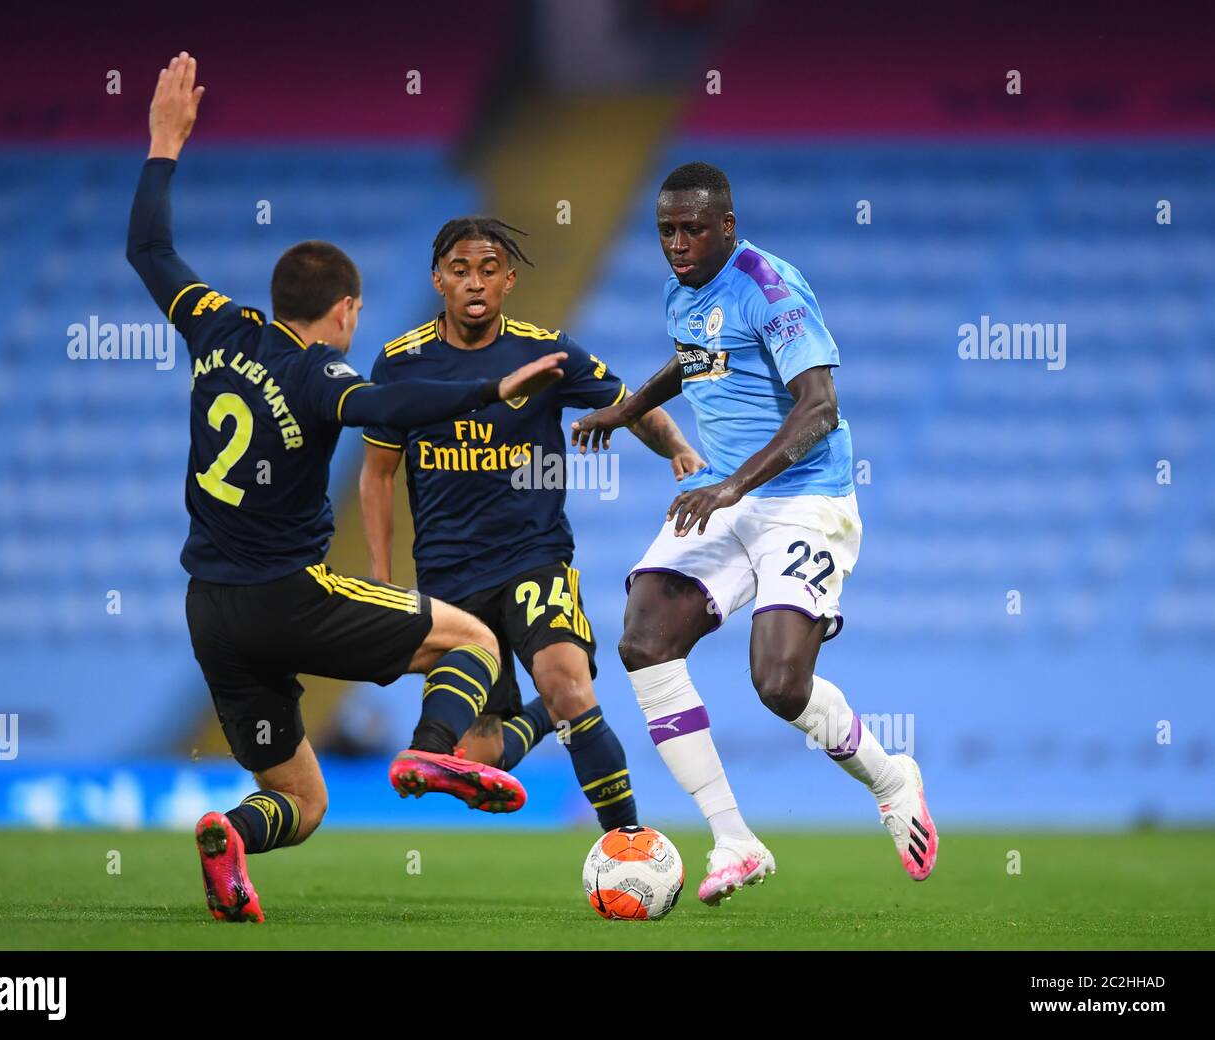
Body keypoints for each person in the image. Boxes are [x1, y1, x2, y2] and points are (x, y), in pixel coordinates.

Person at [127, 54, 566, 922]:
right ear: (346, 309)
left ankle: (232, 834)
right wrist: (487, 387)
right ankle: (428, 751)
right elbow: (389, 401)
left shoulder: (214, 324)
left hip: (209, 609)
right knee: (475, 640)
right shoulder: (321, 372)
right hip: (285, 596)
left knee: (303, 798)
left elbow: (148, 247)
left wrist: (163, 143)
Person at [571, 161, 939, 906]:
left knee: (778, 684)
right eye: (666, 230)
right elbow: (698, 355)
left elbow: (820, 406)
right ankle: (735, 842)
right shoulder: (684, 289)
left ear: (727, 226)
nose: (677, 243)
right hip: (730, 500)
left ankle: (892, 776)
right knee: (643, 639)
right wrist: (626, 406)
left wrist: (732, 484)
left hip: (804, 500)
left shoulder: (770, 289)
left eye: (693, 228)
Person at [360, 217, 704, 830]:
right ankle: (543, 716)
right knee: (484, 751)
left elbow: (624, 404)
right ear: (438, 280)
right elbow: (378, 474)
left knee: (568, 684)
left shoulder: (548, 352)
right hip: (447, 572)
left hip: (532, 558)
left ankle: (629, 842)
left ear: (508, 280)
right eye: (460, 270)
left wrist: (677, 446)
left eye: (488, 271)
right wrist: (386, 581)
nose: (475, 283)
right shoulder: (398, 363)